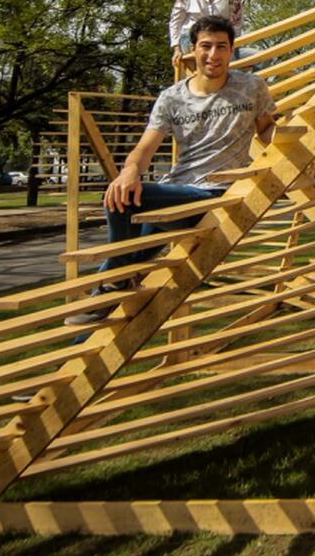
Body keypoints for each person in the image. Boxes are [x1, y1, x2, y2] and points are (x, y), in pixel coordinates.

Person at [65, 16, 275, 326]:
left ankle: (113, 282)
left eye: (221, 47)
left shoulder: (251, 87)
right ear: (193, 50)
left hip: (218, 192)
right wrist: (129, 172)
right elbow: (144, 148)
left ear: (231, 51)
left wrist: (284, 137)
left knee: (123, 242)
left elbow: (266, 129)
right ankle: (89, 330)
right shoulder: (172, 97)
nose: (214, 55)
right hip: (178, 192)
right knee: (122, 204)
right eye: (206, 46)